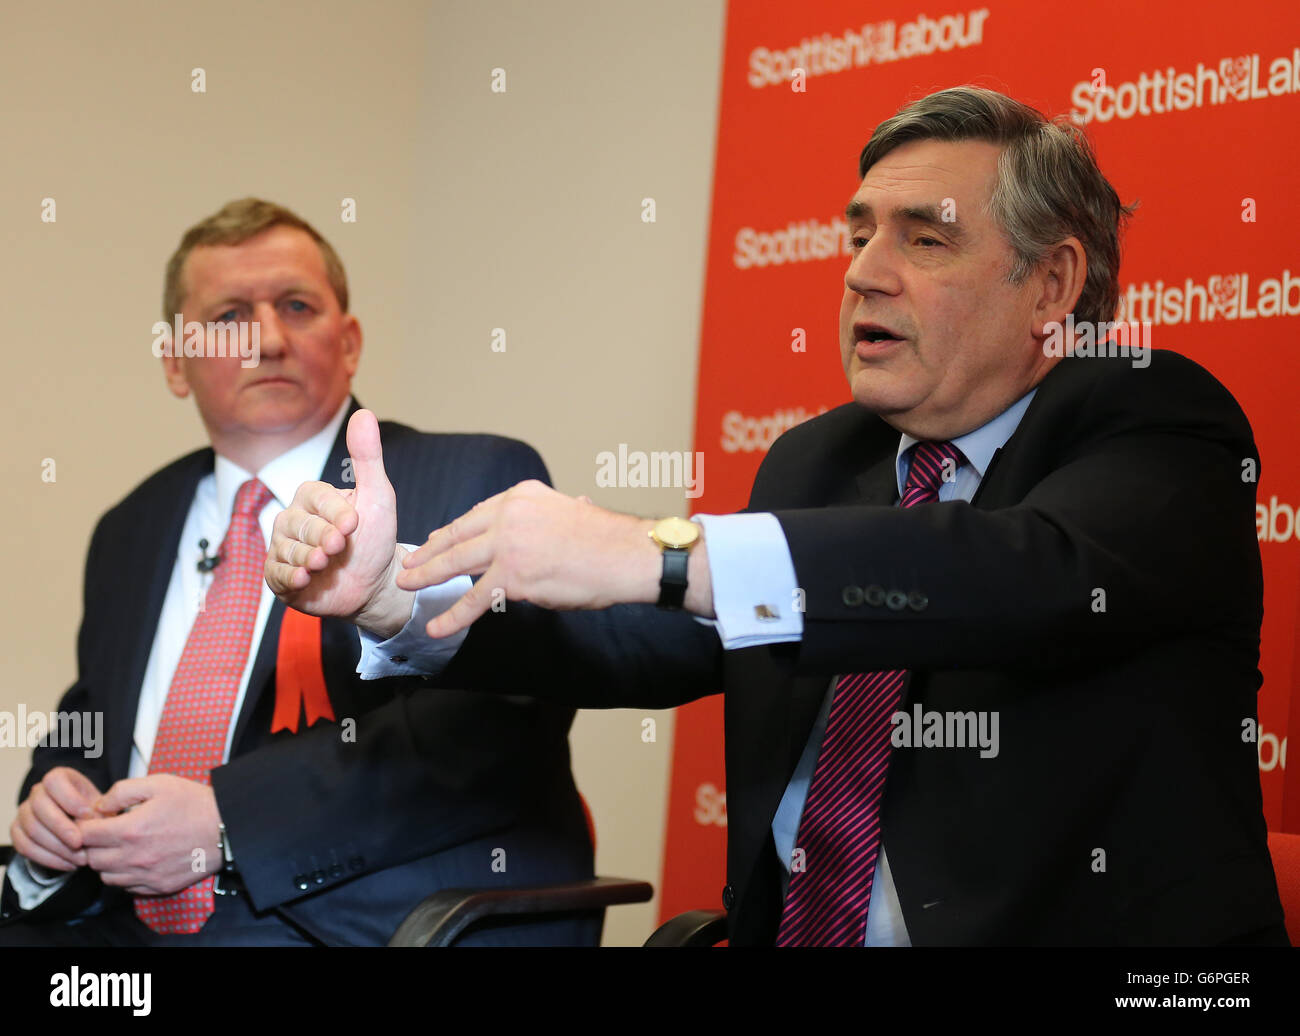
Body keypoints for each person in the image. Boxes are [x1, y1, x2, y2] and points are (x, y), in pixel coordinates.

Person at [266, 88, 1287, 946]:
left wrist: (651, 546)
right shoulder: (820, 458)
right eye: (856, 235)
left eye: (924, 239)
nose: (860, 273)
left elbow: (1019, 573)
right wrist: (398, 594)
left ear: (1052, 284)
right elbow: (646, 632)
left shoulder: (1154, 420)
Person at [1, 198, 598, 946]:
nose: (270, 340)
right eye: (229, 317)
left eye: (296, 306)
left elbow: (500, 725)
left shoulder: (475, 476)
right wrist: (53, 807)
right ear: (174, 362)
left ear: (349, 344)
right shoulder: (130, 527)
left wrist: (227, 821)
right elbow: (92, 715)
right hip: (124, 920)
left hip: (363, 920)